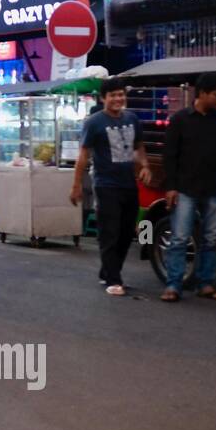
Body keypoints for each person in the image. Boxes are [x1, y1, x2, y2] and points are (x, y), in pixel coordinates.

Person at [161, 73, 216, 303]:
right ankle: (173, 285)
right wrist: (171, 187)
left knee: (211, 238)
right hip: (185, 188)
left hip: (214, 187)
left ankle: (206, 283)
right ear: (203, 93)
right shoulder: (180, 120)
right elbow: (170, 156)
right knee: (180, 238)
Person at [70, 79, 151, 296]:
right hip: (105, 185)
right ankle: (114, 280)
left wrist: (145, 166)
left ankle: (108, 270)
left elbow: (139, 147)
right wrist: (76, 185)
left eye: (121, 94)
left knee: (127, 232)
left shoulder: (132, 119)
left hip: (129, 184)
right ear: (103, 98)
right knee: (110, 232)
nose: (118, 99)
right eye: (113, 95)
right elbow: (83, 155)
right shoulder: (94, 122)